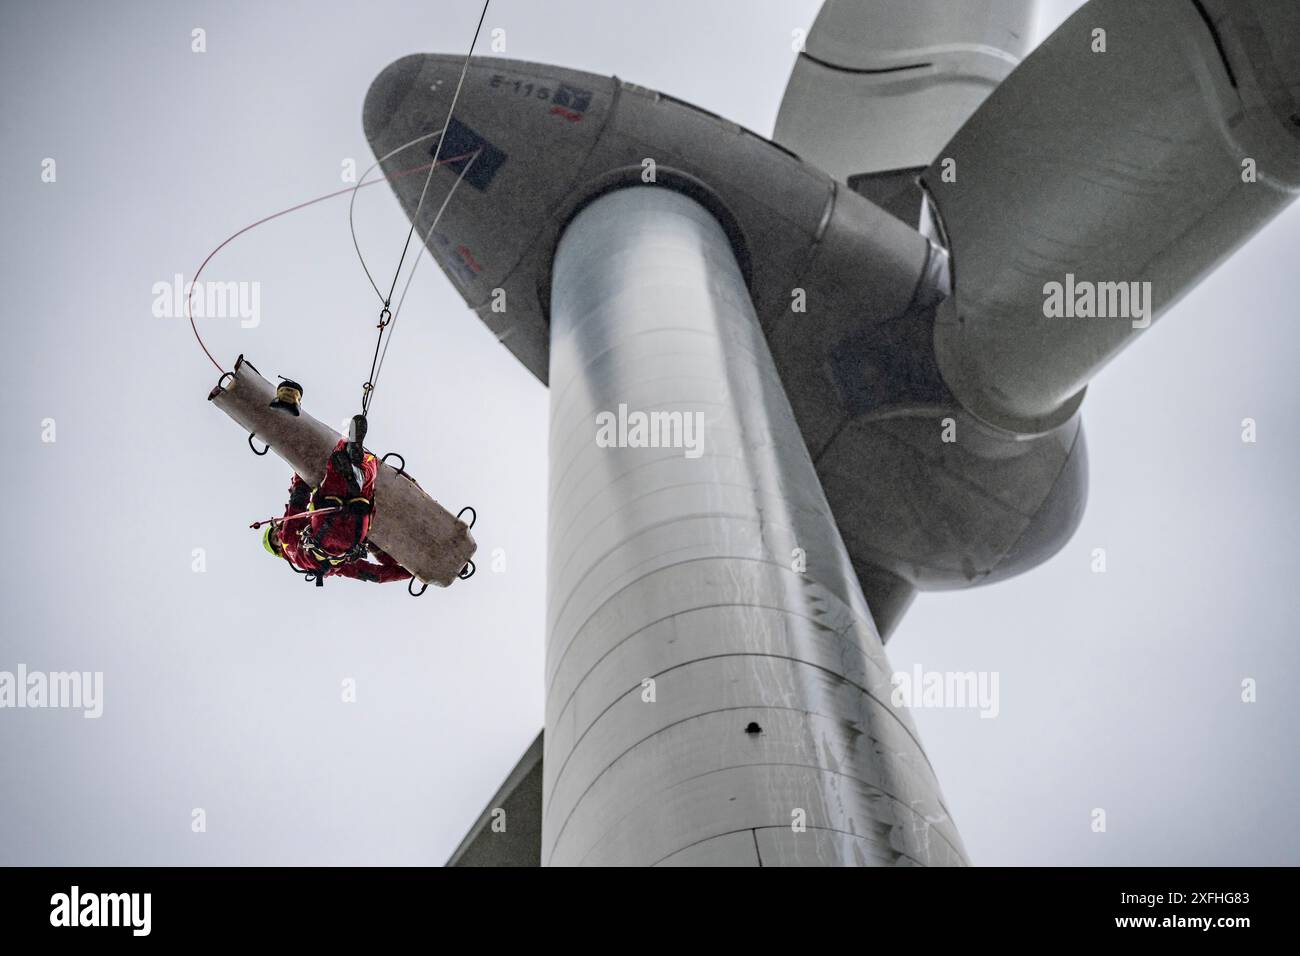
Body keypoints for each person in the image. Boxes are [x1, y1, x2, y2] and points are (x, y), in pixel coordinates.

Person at [261, 414, 411, 586]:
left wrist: (409, 574)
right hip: (326, 524)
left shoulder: (329, 569)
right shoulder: (288, 540)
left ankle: (358, 471)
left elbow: (372, 574)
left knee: (364, 495)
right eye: (275, 540)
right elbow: (298, 502)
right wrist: (300, 472)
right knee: (339, 467)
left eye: (274, 534)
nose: (278, 535)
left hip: (355, 531)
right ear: (280, 551)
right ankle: (351, 455)